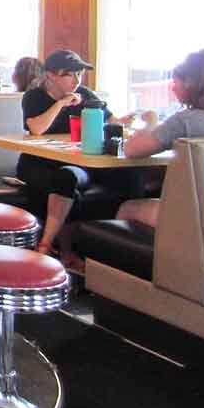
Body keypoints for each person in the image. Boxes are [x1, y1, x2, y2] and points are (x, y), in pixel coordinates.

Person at [18, 49, 135, 258]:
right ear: (50, 76)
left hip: (74, 163)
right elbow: (36, 128)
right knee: (63, 183)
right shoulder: (34, 96)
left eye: (79, 74)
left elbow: (112, 121)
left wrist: (129, 121)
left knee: (69, 178)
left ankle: (48, 246)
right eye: (69, 74)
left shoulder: (85, 96)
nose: (76, 80)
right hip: (37, 163)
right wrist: (61, 103)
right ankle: (58, 250)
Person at [118, 49, 204, 229]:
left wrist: (151, 121)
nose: (172, 87)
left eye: (175, 82)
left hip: (194, 216)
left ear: (189, 83)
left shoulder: (184, 121)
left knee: (127, 208)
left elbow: (131, 150)